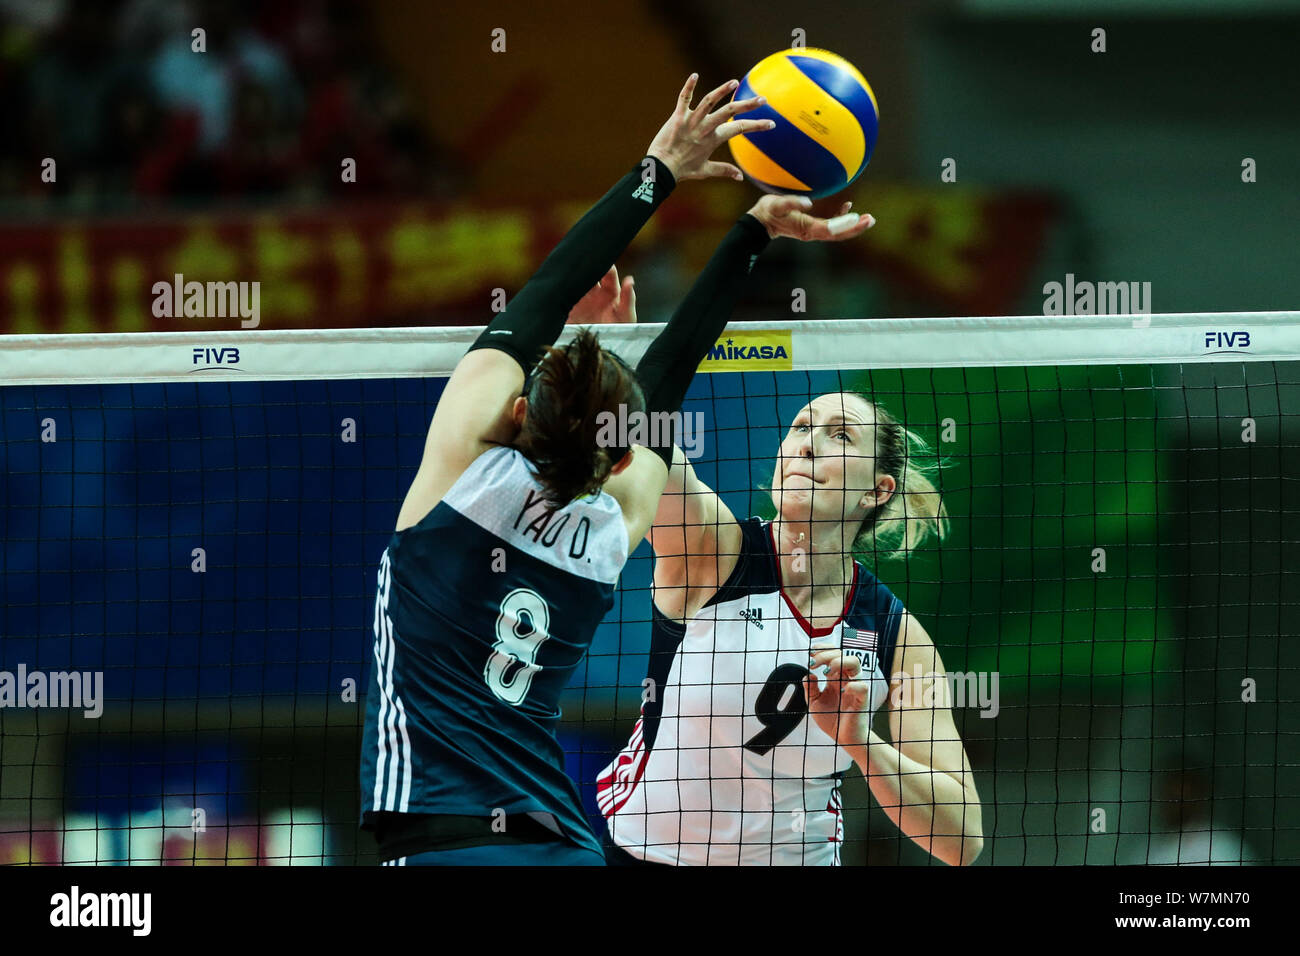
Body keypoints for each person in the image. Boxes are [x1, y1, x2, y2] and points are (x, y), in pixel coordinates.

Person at [358, 73, 865, 866]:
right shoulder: (609, 531)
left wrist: (659, 170)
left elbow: (551, 292)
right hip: (564, 848)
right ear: (624, 452)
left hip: (441, 842)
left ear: (519, 412)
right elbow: (657, 385)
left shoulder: (456, 483)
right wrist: (751, 236)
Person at [599, 390, 985, 866]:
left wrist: (859, 742)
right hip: (646, 855)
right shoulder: (712, 550)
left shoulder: (895, 635)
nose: (806, 444)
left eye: (840, 434)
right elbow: (640, 430)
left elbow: (962, 840)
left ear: (877, 490)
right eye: (801, 428)